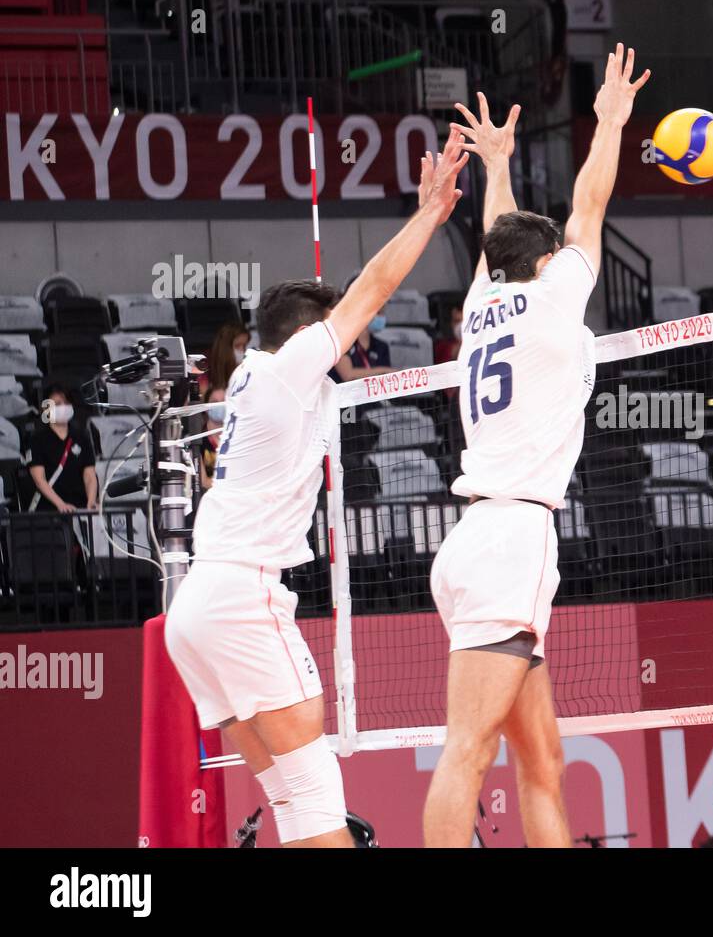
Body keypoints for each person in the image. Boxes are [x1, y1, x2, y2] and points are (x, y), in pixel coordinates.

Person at [164, 135, 468, 848]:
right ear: (303, 337)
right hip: (243, 599)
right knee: (315, 793)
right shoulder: (285, 367)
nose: (342, 351)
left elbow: (346, 381)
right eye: (331, 340)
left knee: (294, 803)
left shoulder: (248, 381)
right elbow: (373, 291)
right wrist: (428, 214)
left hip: (197, 608)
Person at [423, 44, 649, 848]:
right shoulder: (554, 298)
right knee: (468, 751)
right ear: (547, 265)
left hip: (488, 536)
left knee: (543, 761)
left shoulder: (483, 297)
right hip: (508, 538)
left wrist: (498, 165)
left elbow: (498, 231)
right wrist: (610, 122)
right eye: (556, 254)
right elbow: (589, 202)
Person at [27, 382, 98, 513]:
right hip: (50, 511)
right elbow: (39, 479)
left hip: (80, 507)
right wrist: (61, 504)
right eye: (57, 404)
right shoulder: (37, 440)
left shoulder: (81, 437)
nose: (63, 407)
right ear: (46, 408)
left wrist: (92, 500)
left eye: (66, 403)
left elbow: (89, 474)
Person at [329, 311, 394, 383]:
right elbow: (348, 375)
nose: (382, 317)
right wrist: (384, 371)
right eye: (378, 313)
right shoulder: (342, 342)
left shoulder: (382, 346)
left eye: (382, 313)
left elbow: (386, 380)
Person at [201, 321, 250, 396]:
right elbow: (203, 395)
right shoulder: (204, 364)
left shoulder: (246, 367)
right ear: (225, 348)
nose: (242, 351)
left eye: (244, 346)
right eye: (237, 345)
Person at [198, 386, 226, 492]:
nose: (219, 405)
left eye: (223, 401)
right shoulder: (197, 441)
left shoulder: (238, 438)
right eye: (214, 402)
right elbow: (204, 482)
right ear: (206, 407)